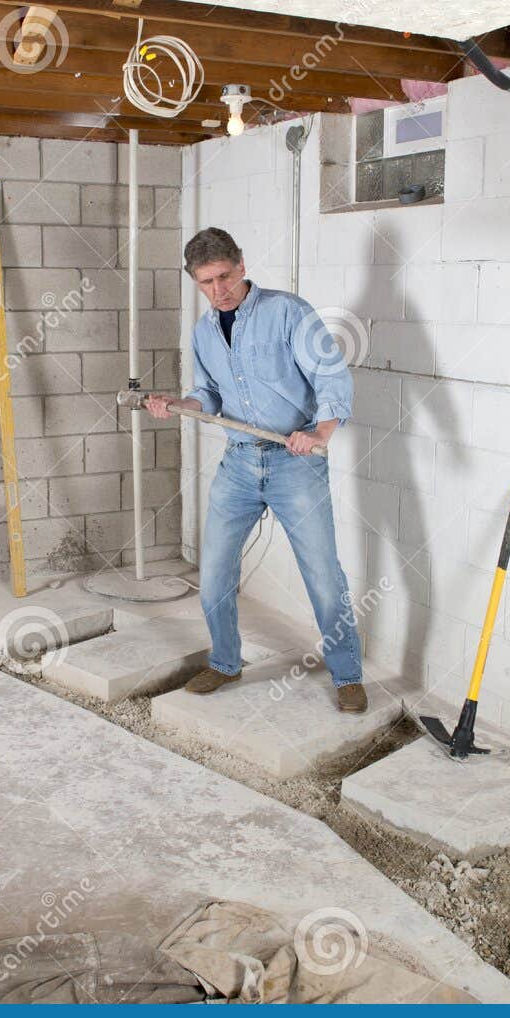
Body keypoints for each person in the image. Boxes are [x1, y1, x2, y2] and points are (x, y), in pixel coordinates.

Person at [145, 227, 367, 713]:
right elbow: (207, 395)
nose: (218, 291)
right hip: (240, 463)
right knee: (215, 573)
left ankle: (348, 674)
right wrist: (177, 403)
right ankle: (225, 662)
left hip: (295, 463)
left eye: (224, 277)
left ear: (242, 266)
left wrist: (321, 433)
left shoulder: (288, 312)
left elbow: (331, 376)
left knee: (324, 577)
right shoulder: (204, 332)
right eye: (205, 282)